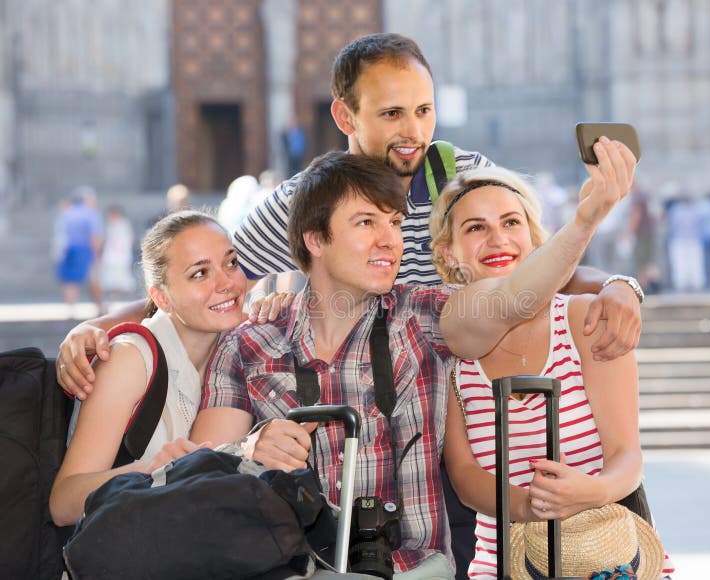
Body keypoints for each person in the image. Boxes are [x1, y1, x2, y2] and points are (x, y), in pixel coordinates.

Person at [54, 33, 644, 397]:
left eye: (423, 110)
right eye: (391, 115)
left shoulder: (465, 175)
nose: (412, 132)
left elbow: (535, 269)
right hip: (366, 425)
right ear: (344, 116)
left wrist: (618, 285)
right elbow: (209, 282)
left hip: (471, 405)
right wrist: (99, 328)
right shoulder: (307, 200)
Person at [189, 142, 636, 578]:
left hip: (418, 569)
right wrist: (249, 447)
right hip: (298, 567)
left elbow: (512, 298)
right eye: (366, 222)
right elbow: (201, 467)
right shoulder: (250, 343)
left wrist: (594, 237)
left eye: (396, 222)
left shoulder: (424, 316)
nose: (389, 241)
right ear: (314, 239)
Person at [429, 166, 674, 579]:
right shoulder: (451, 352)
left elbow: (626, 455)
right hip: (505, 562)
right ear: (449, 253)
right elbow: (464, 473)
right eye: (475, 228)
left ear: (535, 237)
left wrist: (591, 491)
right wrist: (530, 505)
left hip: (602, 555)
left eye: (511, 222)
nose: (498, 239)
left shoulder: (584, 321)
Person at [49, 210, 248, 525]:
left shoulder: (239, 349)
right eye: (200, 273)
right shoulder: (129, 360)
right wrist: (148, 469)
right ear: (161, 297)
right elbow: (62, 504)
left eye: (231, 263)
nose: (227, 282)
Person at [52, 187, 104, 318]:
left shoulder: (67, 213)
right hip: (84, 249)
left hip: (67, 250)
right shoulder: (90, 213)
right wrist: (97, 255)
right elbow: (95, 237)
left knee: (70, 281)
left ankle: (71, 309)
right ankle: (99, 307)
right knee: (93, 278)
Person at [99, 204, 137, 300]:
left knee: (123, 279)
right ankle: (114, 298)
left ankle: (128, 298)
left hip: (120, 257)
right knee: (111, 280)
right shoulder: (110, 225)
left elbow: (125, 242)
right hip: (111, 256)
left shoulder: (124, 225)